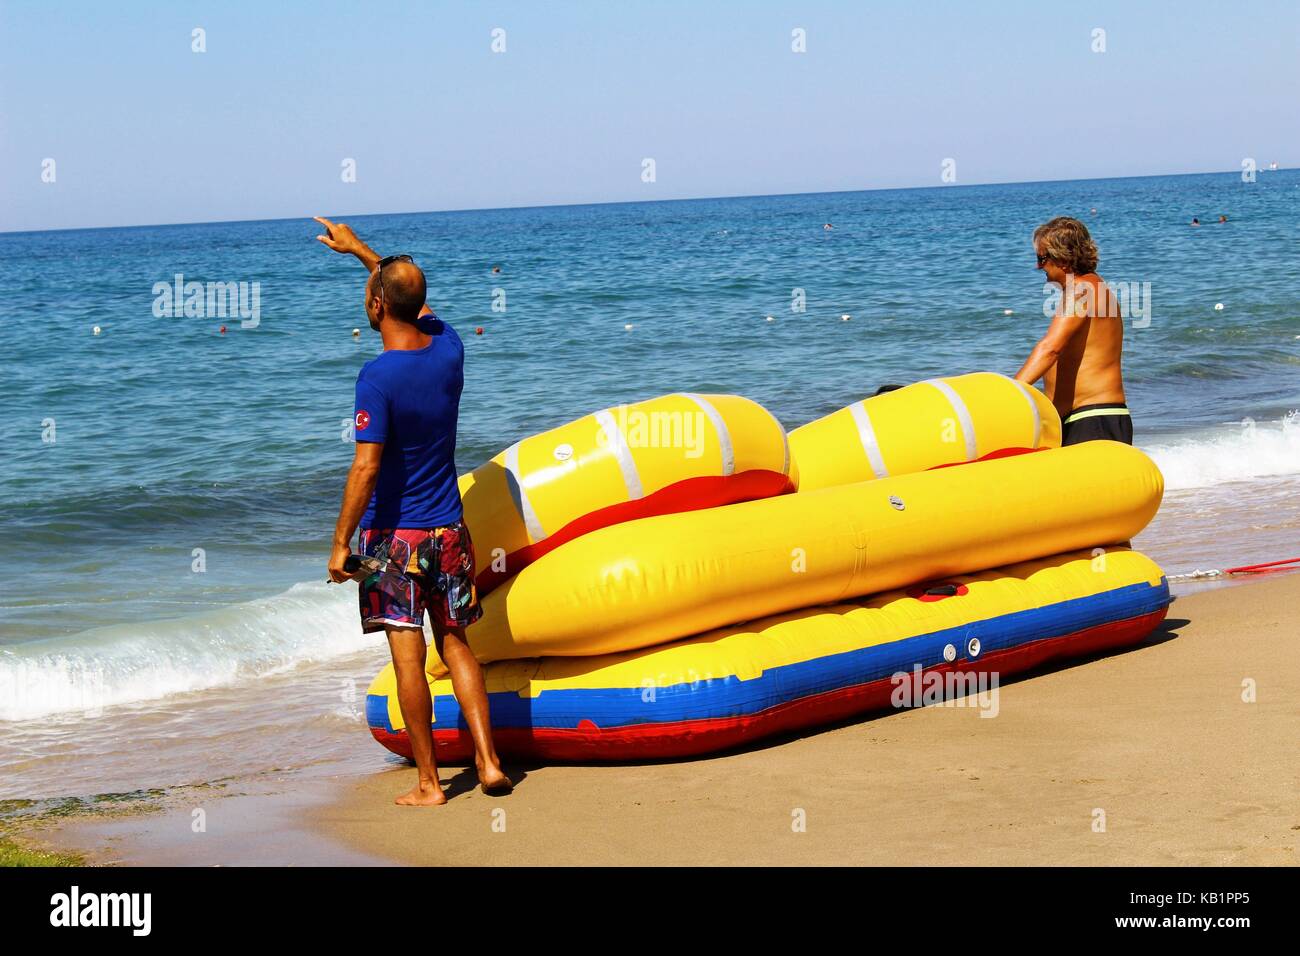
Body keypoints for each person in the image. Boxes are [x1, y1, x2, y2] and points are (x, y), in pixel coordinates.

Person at [314, 216, 511, 806]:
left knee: (408, 655)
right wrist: (362, 253)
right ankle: (490, 762)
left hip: (392, 542)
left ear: (376, 304)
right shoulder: (449, 349)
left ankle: (430, 784)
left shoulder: (376, 378)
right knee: (456, 645)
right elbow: (413, 302)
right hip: (448, 530)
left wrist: (339, 543)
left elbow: (366, 469)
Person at [1015, 217, 1131, 446]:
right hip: (1097, 418)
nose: (1038, 266)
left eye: (1042, 258)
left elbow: (1051, 348)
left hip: (1091, 420)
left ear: (1063, 260)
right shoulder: (1097, 288)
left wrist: (1010, 391)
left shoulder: (1081, 291)